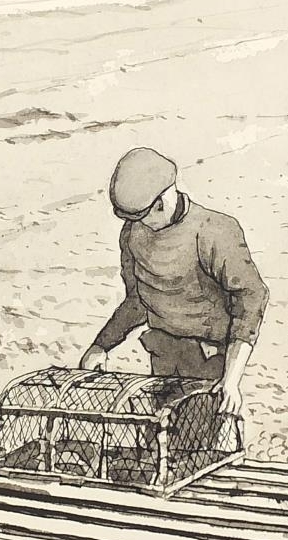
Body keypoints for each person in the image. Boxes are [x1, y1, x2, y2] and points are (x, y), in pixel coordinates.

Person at [80, 147, 269, 418]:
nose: (139, 225)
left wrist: (232, 379)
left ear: (160, 203)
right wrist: (101, 346)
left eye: (142, 217)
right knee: (161, 434)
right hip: (164, 356)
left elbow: (251, 297)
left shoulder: (214, 230)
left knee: (201, 435)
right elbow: (138, 301)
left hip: (211, 362)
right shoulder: (132, 233)